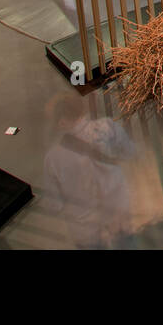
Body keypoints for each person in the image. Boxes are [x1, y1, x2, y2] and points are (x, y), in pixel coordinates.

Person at [43, 93, 137, 248]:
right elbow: (130, 153)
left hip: (84, 231)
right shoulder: (107, 127)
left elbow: (54, 204)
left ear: (61, 122)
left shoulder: (53, 158)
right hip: (118, 217)